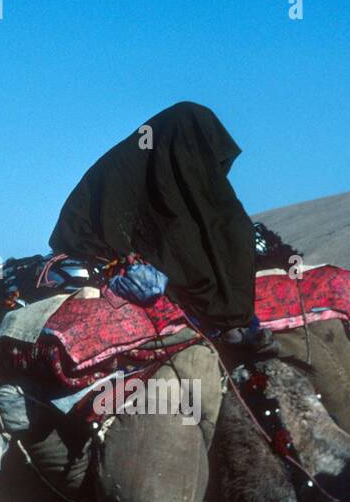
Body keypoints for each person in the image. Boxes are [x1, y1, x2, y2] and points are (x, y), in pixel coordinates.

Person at [49, 102, 277, 358]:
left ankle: (230, 317)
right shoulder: (138, 164)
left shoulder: (169, 162)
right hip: (93, 243)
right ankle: (226, 323)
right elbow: (167, 234)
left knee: (233, 228)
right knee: (192, 250)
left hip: (137, 228)